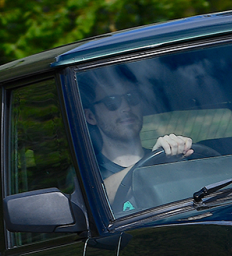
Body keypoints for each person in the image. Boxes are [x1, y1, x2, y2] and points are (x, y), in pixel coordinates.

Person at [82, 76, 193, 207]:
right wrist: (153, 165)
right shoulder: (87, 172)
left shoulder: (170, 159)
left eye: (132, 97)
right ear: (91, 116)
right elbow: (94, 200)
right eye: (111, 102)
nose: (126, 108)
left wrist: (181, 155)